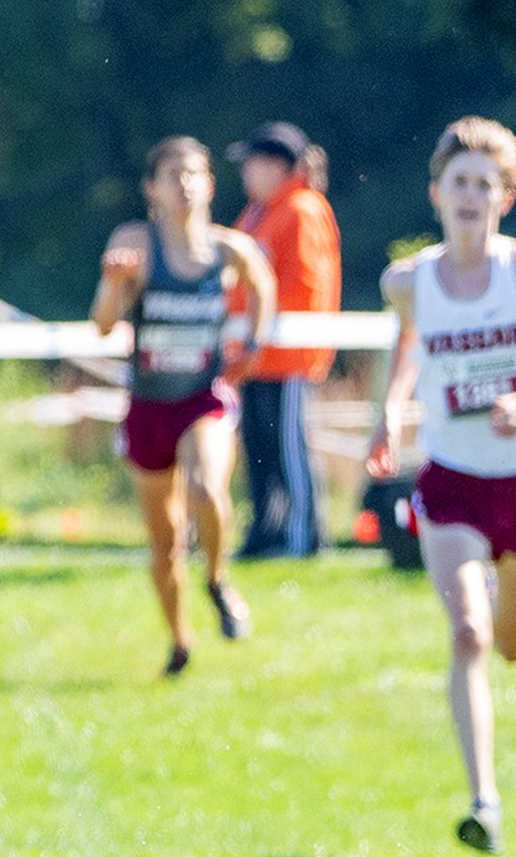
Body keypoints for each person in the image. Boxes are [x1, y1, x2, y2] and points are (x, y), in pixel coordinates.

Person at [366, 116, 516, 852]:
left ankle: (504, 603)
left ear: (505, 196)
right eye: (459, 182)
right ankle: (483, 802)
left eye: (485, 184)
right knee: (468, 633)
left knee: (511, 646)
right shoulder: (406, 282)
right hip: (451, 483)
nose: (471, 195)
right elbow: (406, 346)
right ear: (437, 193)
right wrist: (388, 414)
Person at [90, 136, 275, 676]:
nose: (185, 184)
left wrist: (253, 346)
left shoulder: (228, 249)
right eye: (172, 174)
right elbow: (103, 323)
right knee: (165, 543)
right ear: (151, 189)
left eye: (194, 173)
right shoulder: (135, 243)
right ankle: (179, 640)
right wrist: (112, 284)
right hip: (149, 404)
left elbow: (264, 284)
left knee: (205, 489)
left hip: (204, 397)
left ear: (211, 184)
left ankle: (217, 578)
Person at [226, 121, 340, 559]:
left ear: (276, 165)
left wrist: (262, 320)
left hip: (289, 357)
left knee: (291, 452)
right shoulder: (259, 212)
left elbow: (307, 286)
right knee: (260, 454)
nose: (245, 173)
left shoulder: (301, 209)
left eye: (252, 163)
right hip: (253, 357)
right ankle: (267, 534)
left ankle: (303, 539)